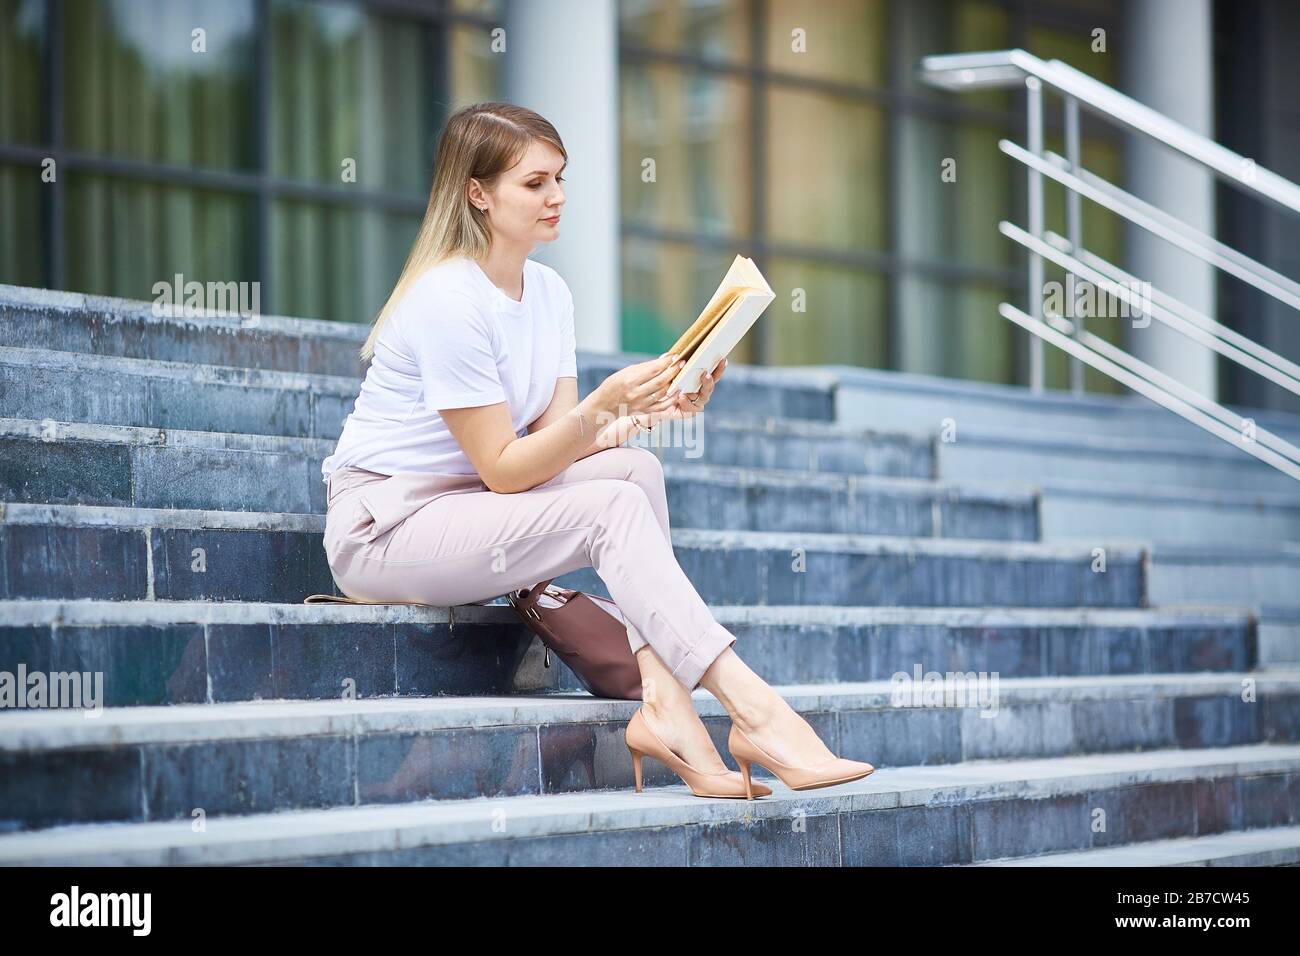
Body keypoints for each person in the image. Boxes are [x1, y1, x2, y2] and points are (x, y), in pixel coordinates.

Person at [320, 102, 873, 800]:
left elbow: (559, 448)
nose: (557, 196)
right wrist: (601, 404)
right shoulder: (447, 301)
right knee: (610, 505)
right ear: (477, 193)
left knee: (634, 471)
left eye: (560, 178)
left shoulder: (549, 293)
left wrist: (648, 409)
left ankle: (666, 707)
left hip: (473, 507)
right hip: (387, 527)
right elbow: (505, 468)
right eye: (535, 182)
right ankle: (755, 709)